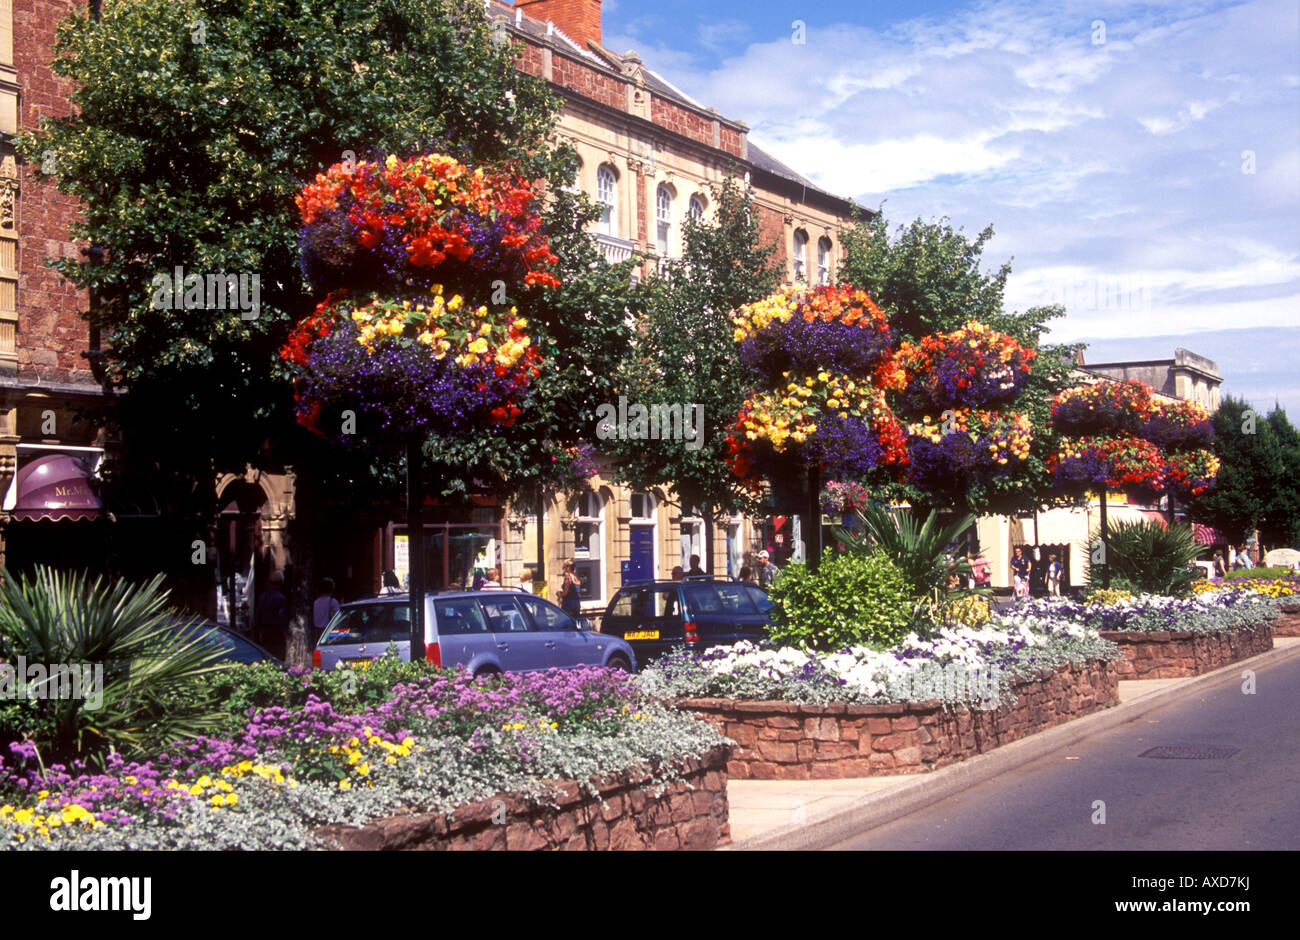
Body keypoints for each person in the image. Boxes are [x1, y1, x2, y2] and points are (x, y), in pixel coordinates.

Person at [255, 570, 290, 660]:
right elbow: (282, 617)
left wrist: (259, 631)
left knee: (266, 656)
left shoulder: (262, 596)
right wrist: (285, 635)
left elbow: (258, 615)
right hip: (276, 633)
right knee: (278, 657)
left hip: (265, 632)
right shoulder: (281, 598)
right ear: (281, 583)